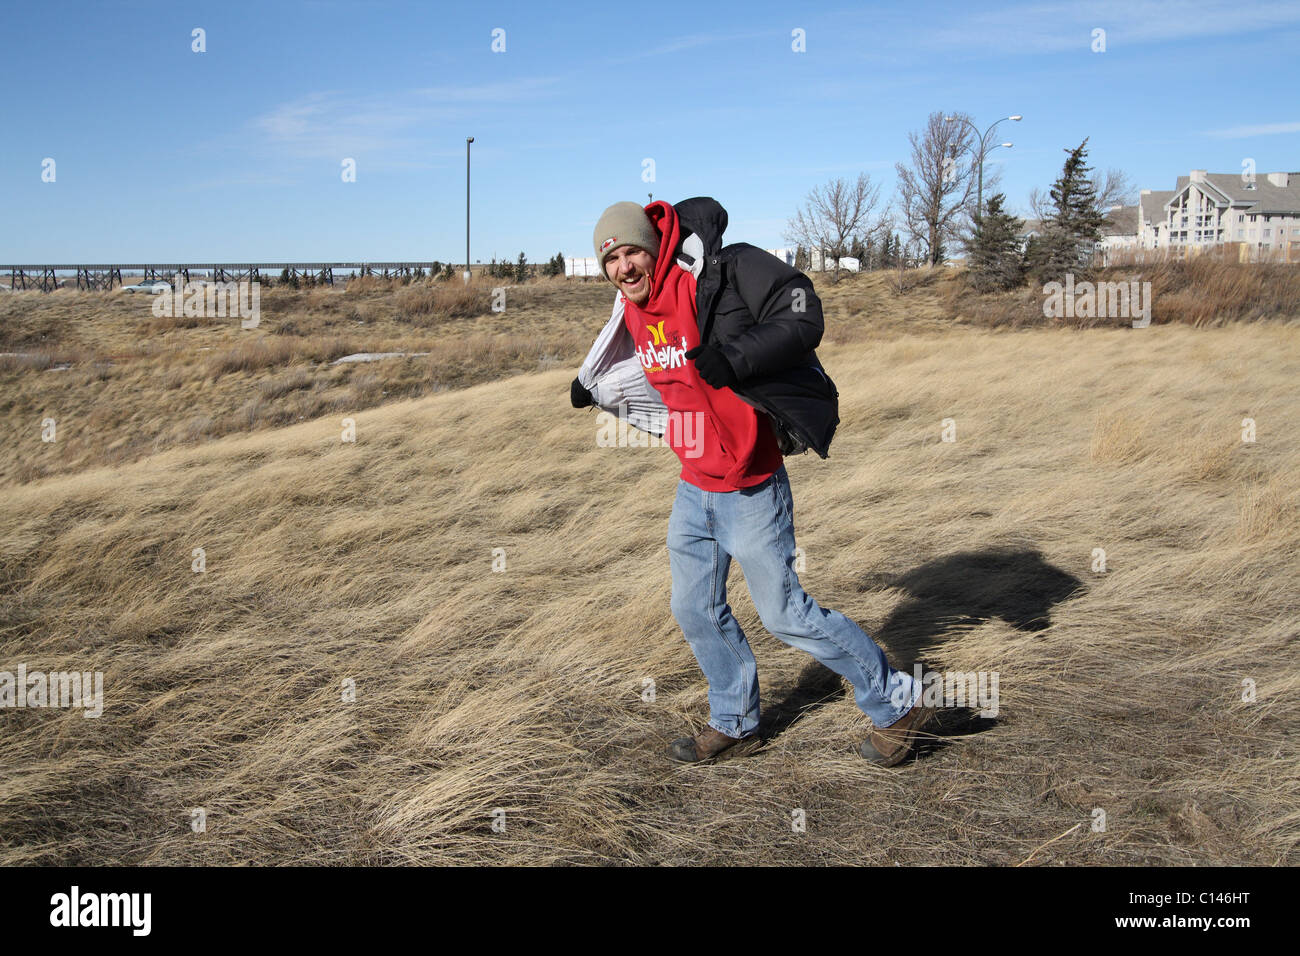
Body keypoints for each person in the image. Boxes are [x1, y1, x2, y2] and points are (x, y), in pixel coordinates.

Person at [570, 198, 933, 766]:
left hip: (752, 483)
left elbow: (802, 311)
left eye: (631, 251)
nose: (623, 267)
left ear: (655, 248)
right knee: (694, 608)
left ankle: (899, 703)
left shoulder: (713, 276)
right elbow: (639, 369)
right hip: (694, 486)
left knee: (786, 614)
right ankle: (736, 722)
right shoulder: (631, 309)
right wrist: (593, 386)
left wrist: (735, 359)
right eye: (610, 260)